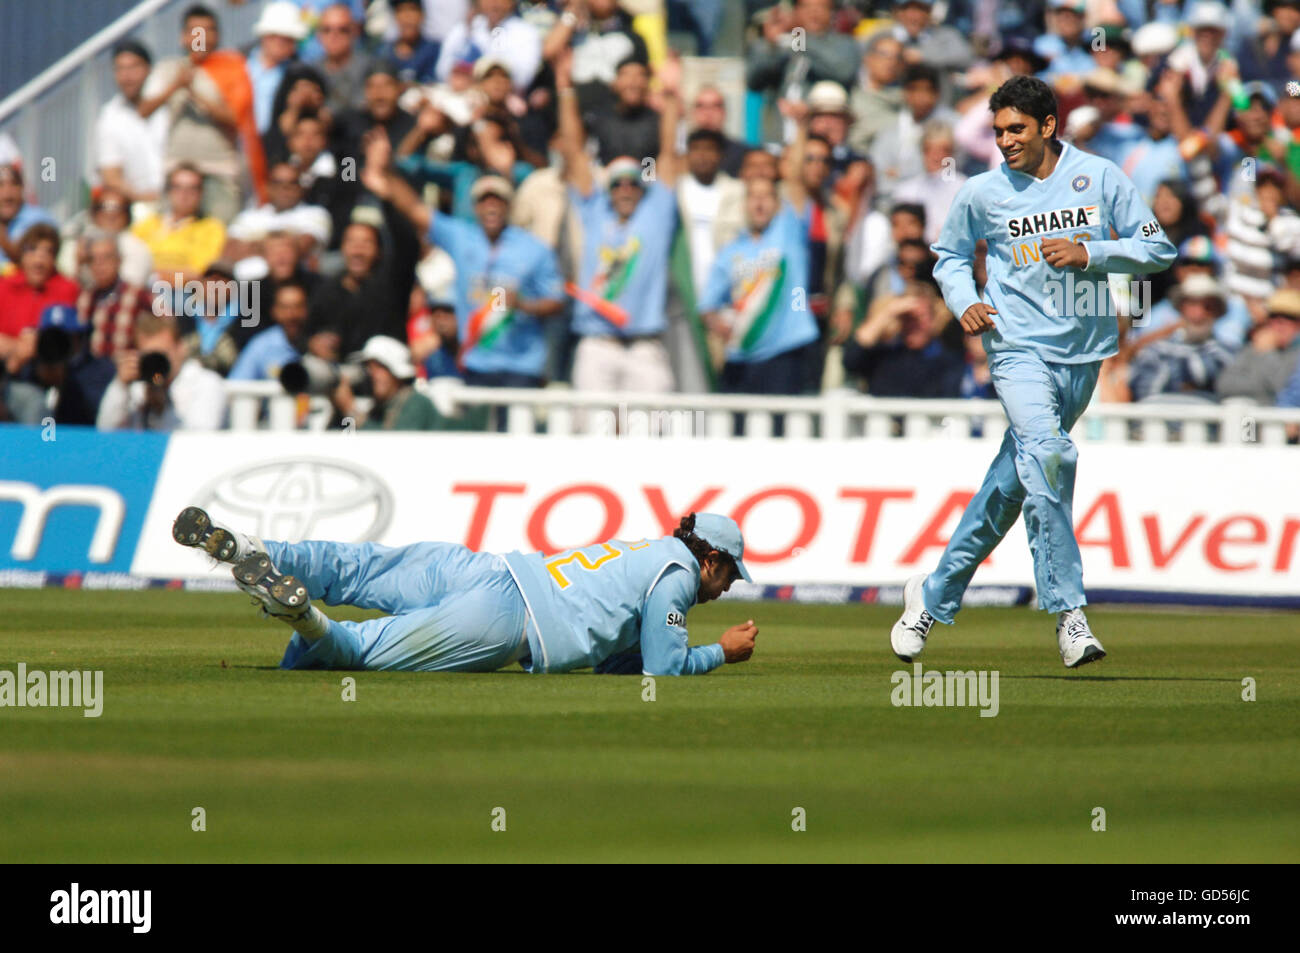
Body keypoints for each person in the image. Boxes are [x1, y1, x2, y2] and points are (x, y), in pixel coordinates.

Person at [893, 75, 1176, 669]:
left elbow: (1157, 247)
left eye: (1015, 129)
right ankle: (1069, 615)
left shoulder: (1100, 177)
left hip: (1084, 352)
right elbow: (947, 255)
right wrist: (963, 298)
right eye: (997, 131)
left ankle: (936, 591)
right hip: (1016, 347)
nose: (1004, 141)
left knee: (1010, 483)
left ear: (1048, 126)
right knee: (1051, 455)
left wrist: (1092, 253)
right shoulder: (981, 191)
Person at [170, 508, 759, 676]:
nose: (728, 587)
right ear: (710, 558)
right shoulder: (678, 576)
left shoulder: (648, 550)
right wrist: (720, 653)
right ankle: (300, 617)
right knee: (360, 651)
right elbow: (663, 668)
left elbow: (618, 660)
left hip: (486, 569)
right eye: (730, 574)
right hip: (504, 621)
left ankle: (260, 550)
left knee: (361, 567)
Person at [96, 313, 228, 431]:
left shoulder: (207, 384)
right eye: (150, 356)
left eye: (162, 355)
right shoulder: (137, 388)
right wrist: (120, 386)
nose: (157, 363)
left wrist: (162, 410)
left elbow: (198, 441)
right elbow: (106, 431)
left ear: (181, 348)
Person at [95, 40, 169, 207]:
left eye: (134, 67)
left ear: (149, 69)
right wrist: (145, 198)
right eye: (120, 69)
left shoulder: (168, 106)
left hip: (180, 201)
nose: (126, 76)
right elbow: (111, 175)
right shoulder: (110, 117)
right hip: (137, 207)